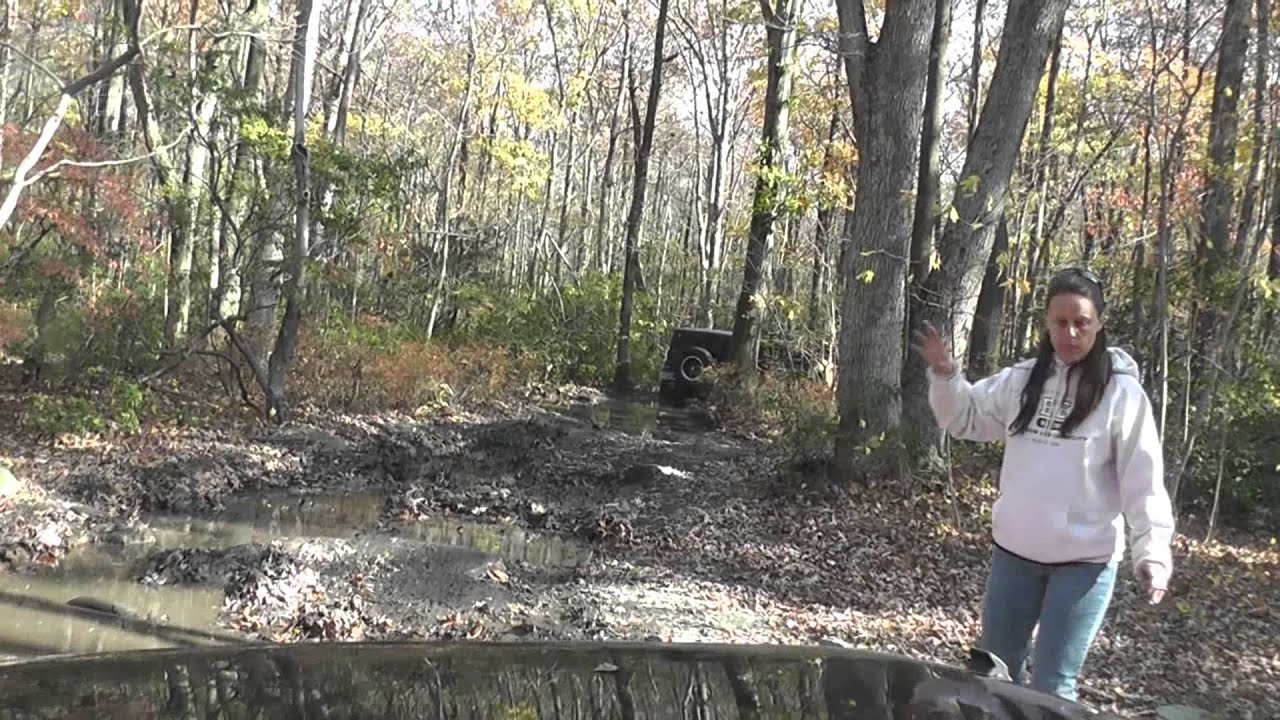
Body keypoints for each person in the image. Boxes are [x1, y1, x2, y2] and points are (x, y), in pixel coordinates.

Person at [910, 266, 1175, 703]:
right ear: (1047, 324)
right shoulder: (1023, 380)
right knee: (993, 678)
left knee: (1053, 689)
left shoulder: (1122, 396)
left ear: (1099, 324)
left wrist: (1153, 553)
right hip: (1015, 557)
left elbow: (1143, 481)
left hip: (1083, 566)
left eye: (1081, 322)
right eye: (1060, 322)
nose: (1070, 333)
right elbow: (964, 419)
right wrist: (944, 373)